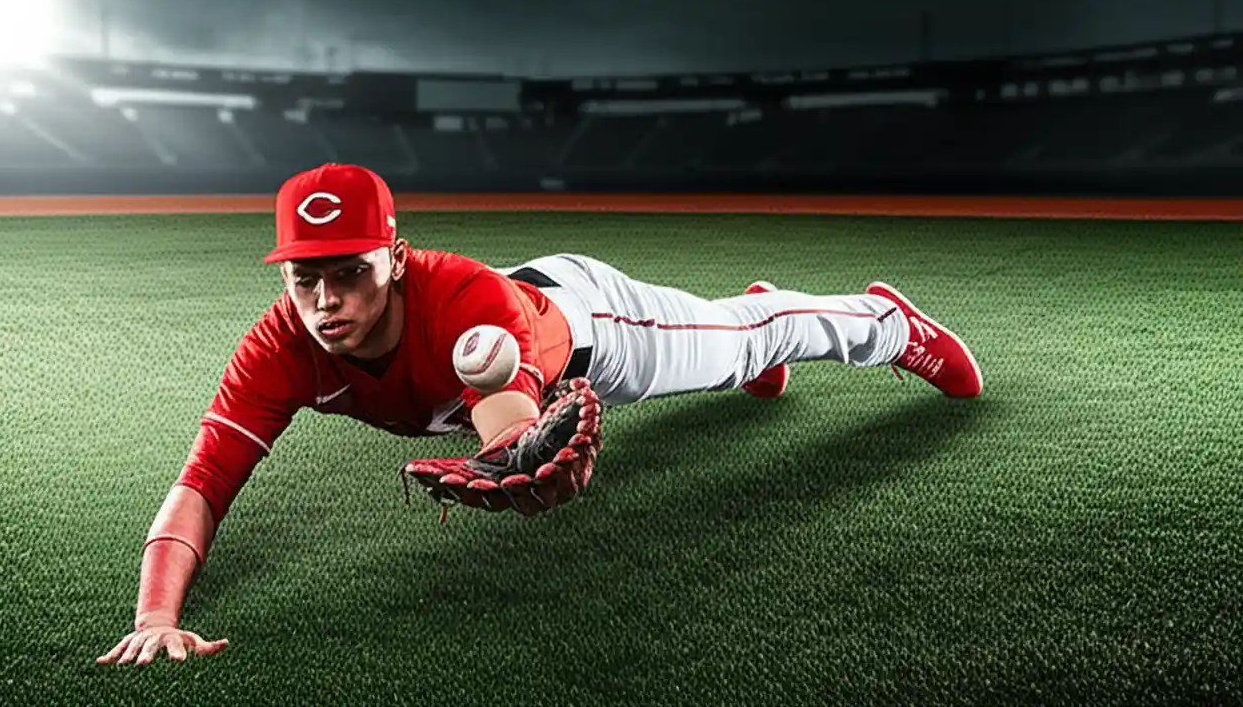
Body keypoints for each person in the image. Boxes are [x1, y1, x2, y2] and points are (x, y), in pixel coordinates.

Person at [97, 162, 983, 667]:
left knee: (743, 340)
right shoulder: (279, 345)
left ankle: (886, 324)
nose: (325, 299)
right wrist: (153, 617)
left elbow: (512, 421)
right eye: (304, 276)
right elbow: (202, 485)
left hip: (596, 330)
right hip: (524, 347)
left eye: (349, 272)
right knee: (734, 356)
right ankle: (756, 340)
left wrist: (510, 454)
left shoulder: (465, 307)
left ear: (396, 258)